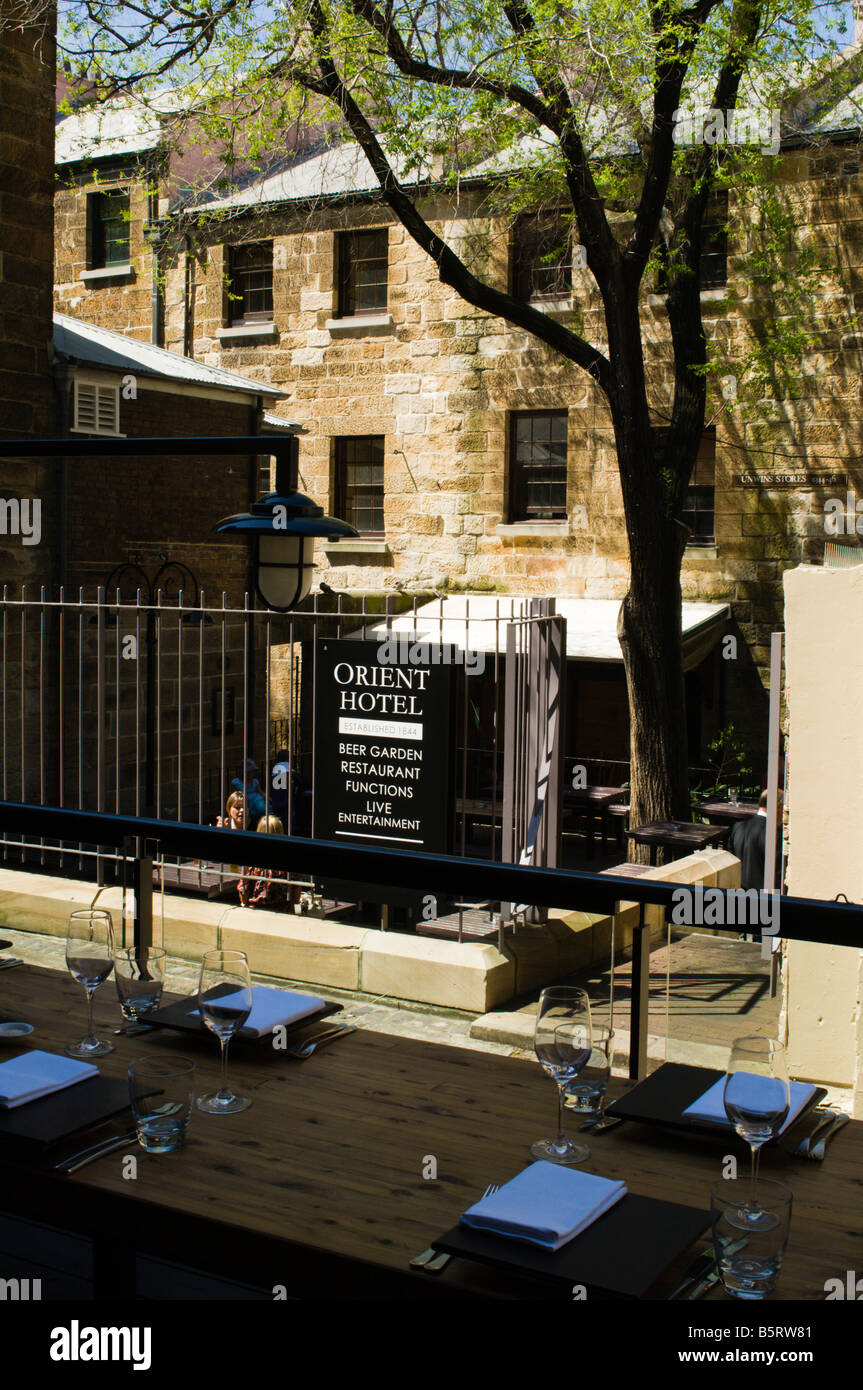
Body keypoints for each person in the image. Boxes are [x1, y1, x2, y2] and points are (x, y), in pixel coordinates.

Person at [728, 790, 783, 891]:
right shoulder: (775, 834)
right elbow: (778, 873)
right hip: (764, 899)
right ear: (779, 806)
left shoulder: (738, 827)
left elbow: (730, 863)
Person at [238, 814, 291, 910]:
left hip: (256, 907)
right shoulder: (287, 858)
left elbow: (243, 888)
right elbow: (296, 887)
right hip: (281, 908)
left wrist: (244, 904)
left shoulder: (251, 857)